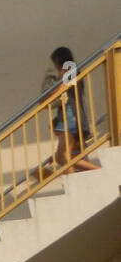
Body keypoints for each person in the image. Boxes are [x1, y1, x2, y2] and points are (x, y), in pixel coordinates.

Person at [43, 46, 101, 175]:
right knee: (61, 157)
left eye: (55, 62)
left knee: (64, 156)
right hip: (69, 117)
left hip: (69, 117)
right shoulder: (72, 72)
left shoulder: (69, 71)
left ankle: (99, 171)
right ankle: (95, 172)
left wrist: (49, 91)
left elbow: (60, 90)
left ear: (58, 60)